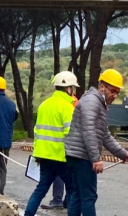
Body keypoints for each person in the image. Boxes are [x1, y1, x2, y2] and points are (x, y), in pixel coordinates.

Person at [64, 69, 128, 216]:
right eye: (112, 91)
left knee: (78, 195)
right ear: (102, 87)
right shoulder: (92, 102)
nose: (115, 95)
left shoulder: (96, 102)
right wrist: (96, 158)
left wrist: (125, 155)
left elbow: (105, 135)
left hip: (76, 155)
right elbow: (89, 130)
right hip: (82, 157)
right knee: (88, 197)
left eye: (117, 92)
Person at [24, 71, 79, 216]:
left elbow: (37, 132)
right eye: (72, 88)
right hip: (62, 158)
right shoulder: (67, 107)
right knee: (73, 190)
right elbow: (70, 134)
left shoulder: (43, 105)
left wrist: (37, 154)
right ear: (68, 89)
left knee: (41, 189)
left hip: (44, 156)